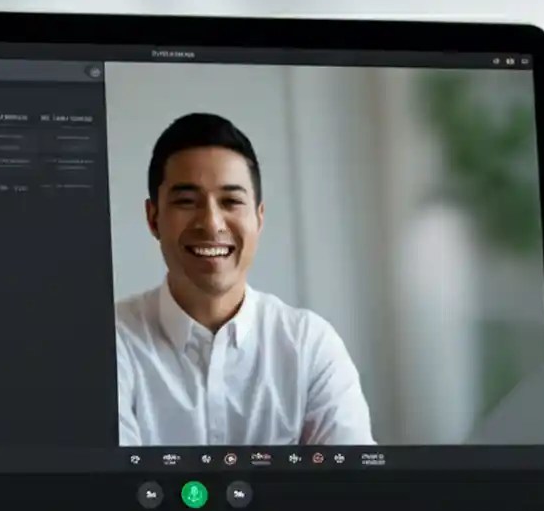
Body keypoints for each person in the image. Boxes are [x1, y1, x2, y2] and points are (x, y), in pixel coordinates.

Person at [116, 113, 376, 446]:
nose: (211, 224)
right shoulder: (111, 345)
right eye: (186, 201)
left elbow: (353, 491)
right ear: (153, 218)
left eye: (231, 202)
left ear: (259, 217)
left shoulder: (309, 347)